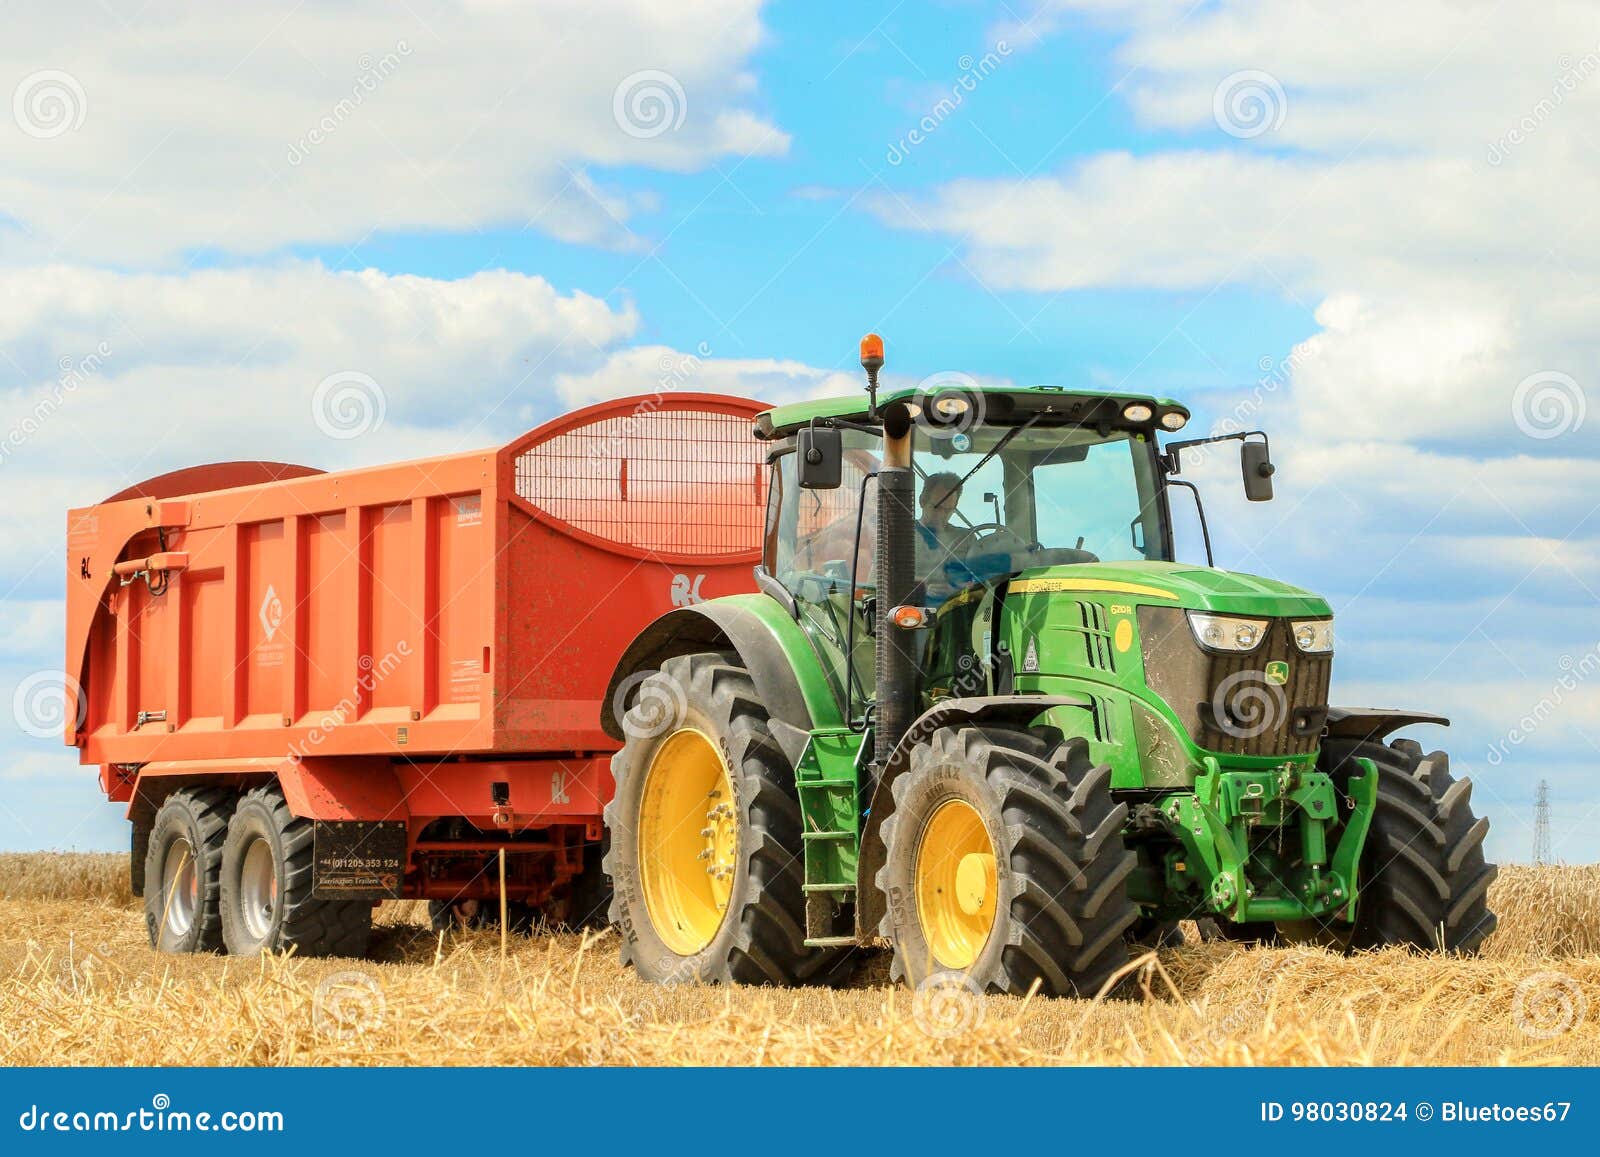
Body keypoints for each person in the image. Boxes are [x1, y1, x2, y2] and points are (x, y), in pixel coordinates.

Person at [916, 472, 965, 601]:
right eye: (936, 508)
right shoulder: (900, 535)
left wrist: (957, 590)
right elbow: (877, 585)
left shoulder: (966, 539)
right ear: (922, 501)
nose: (941, 515)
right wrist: (921, 589)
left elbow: (980, 580)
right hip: (911, 613)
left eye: (948, 510)